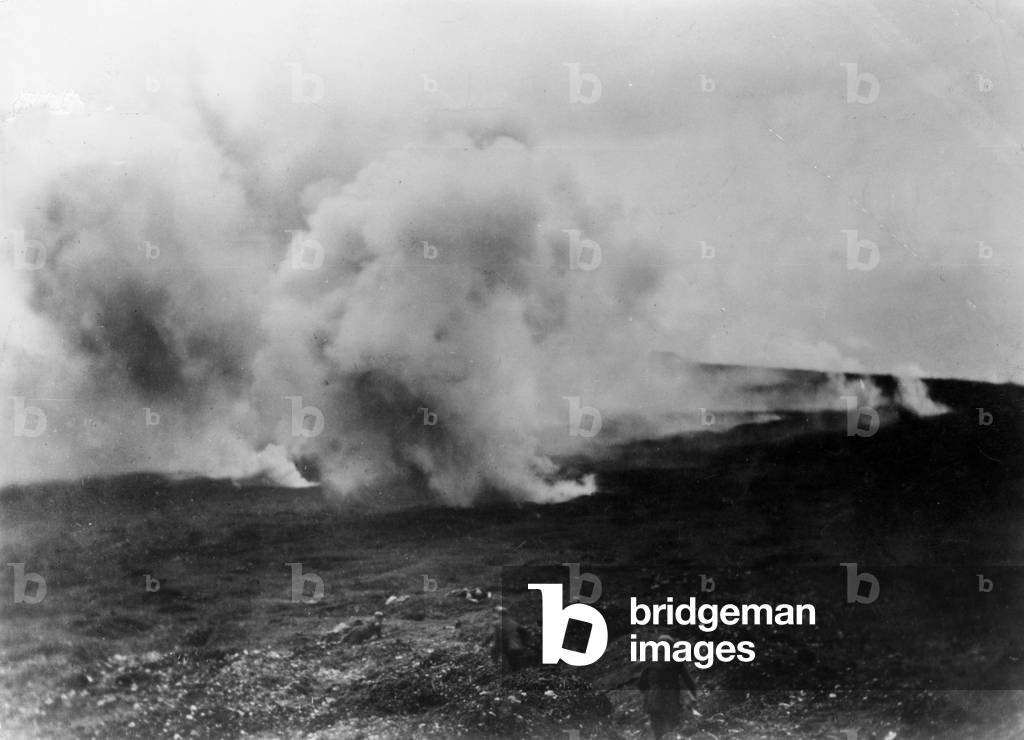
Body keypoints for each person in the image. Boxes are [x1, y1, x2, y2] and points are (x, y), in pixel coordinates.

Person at [637, 635, 698, 739]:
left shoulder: (649, 662)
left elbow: (641, 685)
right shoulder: (676, 661)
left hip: (654, 703)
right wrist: (694, 700)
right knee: (673, 732)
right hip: (671, 702)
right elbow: (689, 682)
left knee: (658, 734)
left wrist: (649, 695)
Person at [484, 605, 531, 671]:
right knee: (516, 666)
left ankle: (496, 665)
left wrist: (484, 643)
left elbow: (490, 636)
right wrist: (523, 642)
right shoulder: (514, 623)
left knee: (508, 665)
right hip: (516, 647)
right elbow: (524, 633)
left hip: (506, 649)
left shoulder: (496, 624)